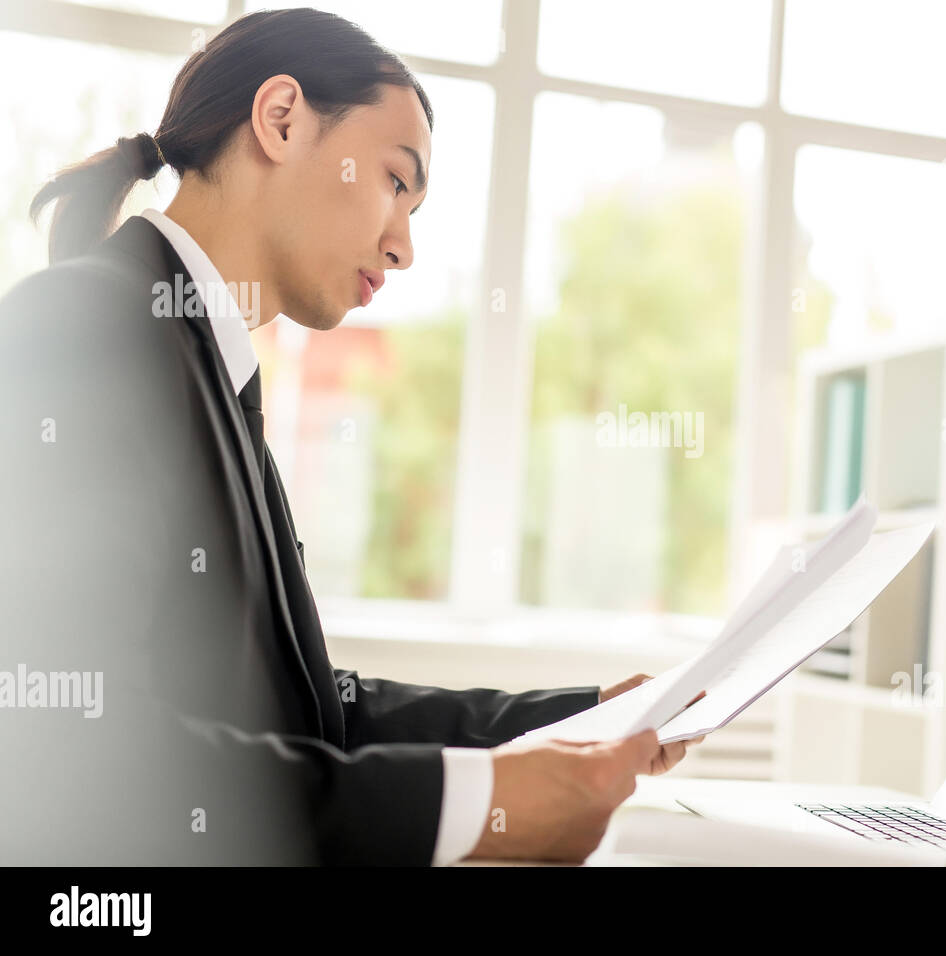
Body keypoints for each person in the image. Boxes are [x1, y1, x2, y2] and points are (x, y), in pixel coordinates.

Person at [0, 7, 703, 866]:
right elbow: (66, 750)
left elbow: (303, 710)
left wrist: (587, 719)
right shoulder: (86, 328)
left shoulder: (209, 370)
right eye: (394, 180)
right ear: (282, 119)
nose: (403, 244)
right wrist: (477, 806)